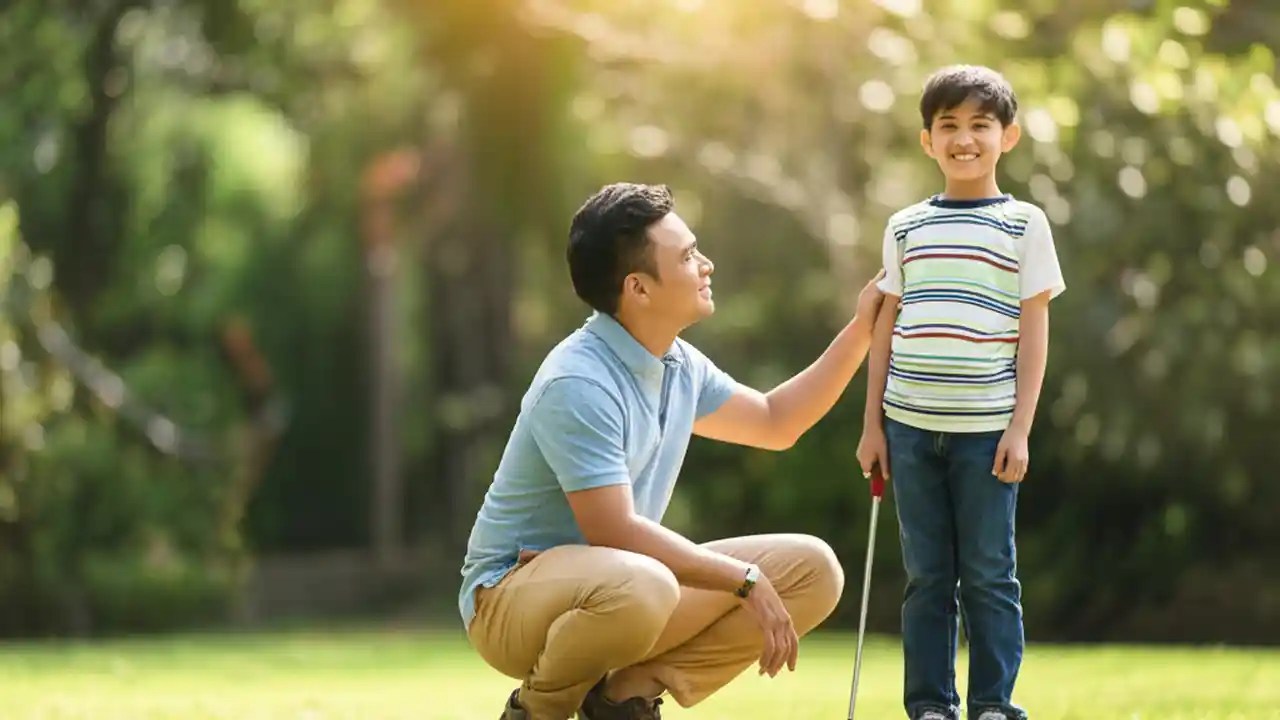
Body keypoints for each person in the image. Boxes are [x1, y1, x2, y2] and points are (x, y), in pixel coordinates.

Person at [459, 182, 884, 720]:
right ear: (638, 289)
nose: (705, 265)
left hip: (625, 588)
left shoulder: (678, 363)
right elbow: (614, 531)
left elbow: (777, 422)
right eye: (687, 256)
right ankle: (536, 712)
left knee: (813, 570)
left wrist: (863, 328)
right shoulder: (578, 381)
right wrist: (743, 579)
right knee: (646, 582)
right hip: (507, 600)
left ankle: (623, 698)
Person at [857, 65, 1066, 720]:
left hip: (987, 434)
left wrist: (1021, 427)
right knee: (926, 581)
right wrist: (872, 427)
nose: (964, 139)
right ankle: (929, 706)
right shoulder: (906, 226)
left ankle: (993, 705)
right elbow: (883, 329)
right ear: (927, 140)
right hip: (909, 430)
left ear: (1009, 136)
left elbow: (1034, 331)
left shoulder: (1024, 225)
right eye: (949, 125)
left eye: (981, 125)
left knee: (989, 577)